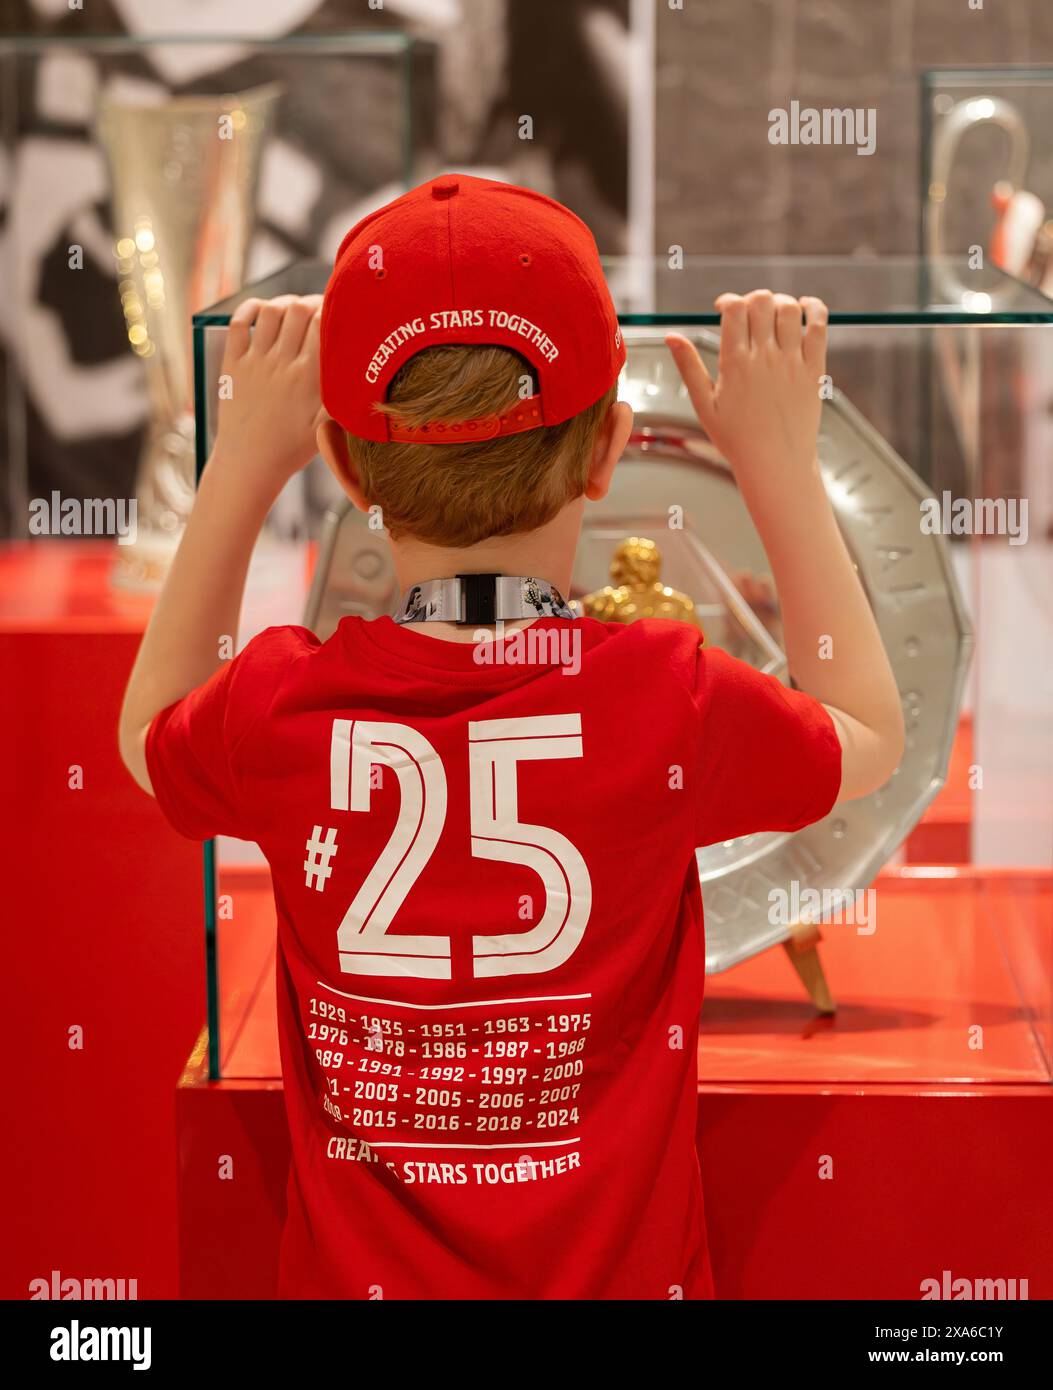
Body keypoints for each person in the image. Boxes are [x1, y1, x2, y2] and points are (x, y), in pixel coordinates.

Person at [118, 174, 904, 1300]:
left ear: (344, 467)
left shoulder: (280, 705)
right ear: (608, 451)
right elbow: (869, 728)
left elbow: (147, 732)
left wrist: (239, 466)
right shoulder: (665, 693)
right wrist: (775, 457)